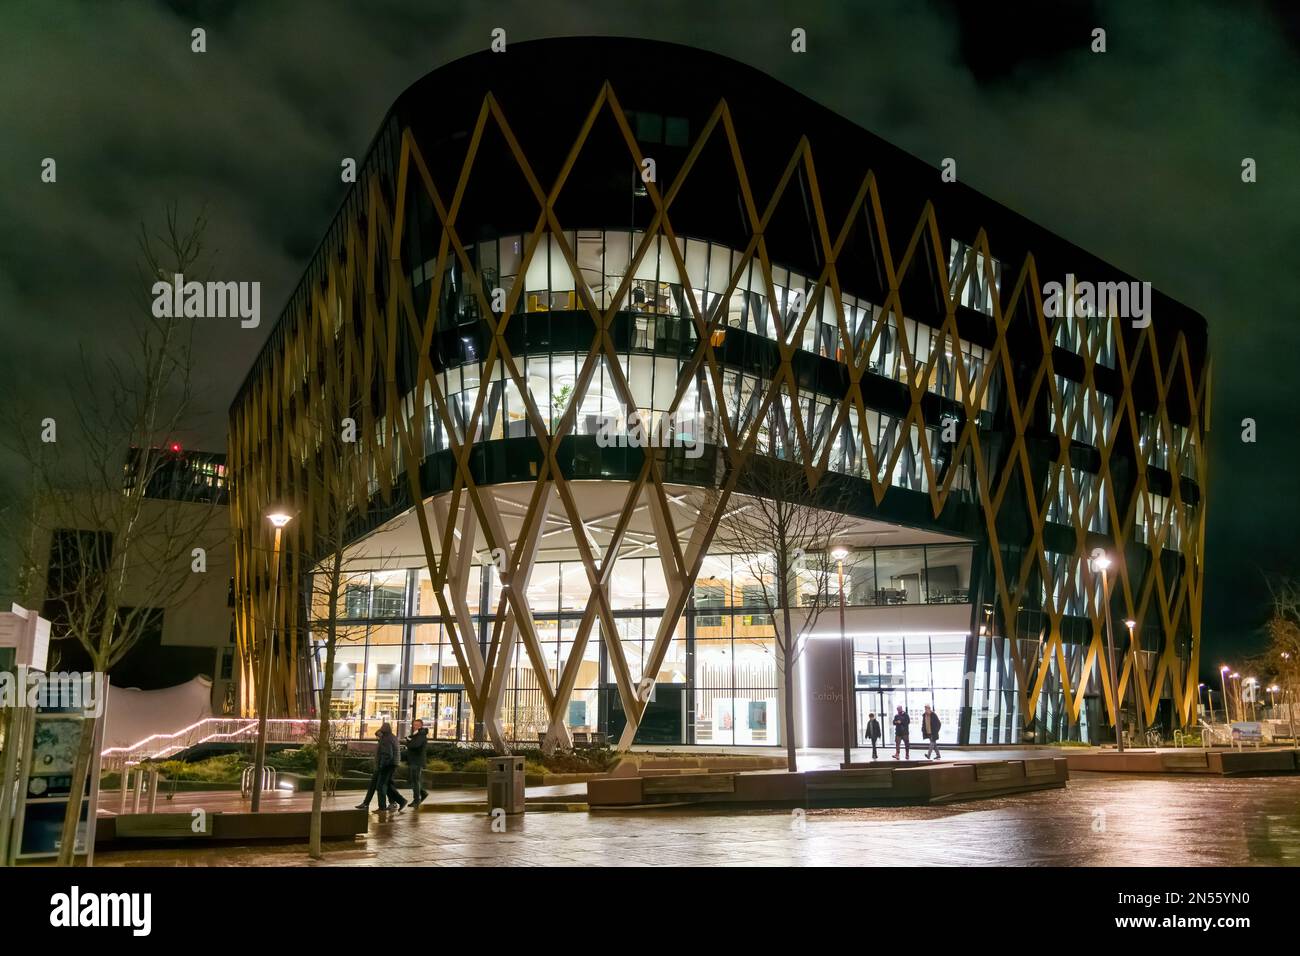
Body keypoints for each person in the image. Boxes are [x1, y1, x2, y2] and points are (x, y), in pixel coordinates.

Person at [355, 722, 407, 813]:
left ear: (383, 731)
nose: (377, 738)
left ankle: (383, 807)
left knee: (381, 786)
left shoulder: (386, 739)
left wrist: (381, 766)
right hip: (389, 764)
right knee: (378, 784)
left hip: (386, 765)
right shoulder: (390, 737)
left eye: (379, 735)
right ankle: (367, 803)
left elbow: (388, 755)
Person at [404, 718, 429, 807]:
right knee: (414, 781)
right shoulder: (416, 734)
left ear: (421, 726)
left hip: (417, 761)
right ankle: (423, 794)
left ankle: (416, 800)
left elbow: (415, 745)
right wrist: (409, 740)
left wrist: (408, 742)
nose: (415, 726)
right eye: (414, 725)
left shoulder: (421, 735)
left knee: (415, 781)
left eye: (417, 725)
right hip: (413, 761)